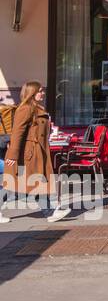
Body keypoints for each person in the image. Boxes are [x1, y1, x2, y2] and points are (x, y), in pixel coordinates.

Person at [2, 82, 71, 222]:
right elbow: (17, 133)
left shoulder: (37, 108)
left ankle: (50, 213)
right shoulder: (26, 109)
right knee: (21, 186)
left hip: (36, 152)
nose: (43, 93)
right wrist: (13, 156)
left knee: (27, 185)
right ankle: (50, 213)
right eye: (40, 91)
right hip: (28, 154)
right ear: (32, 92)